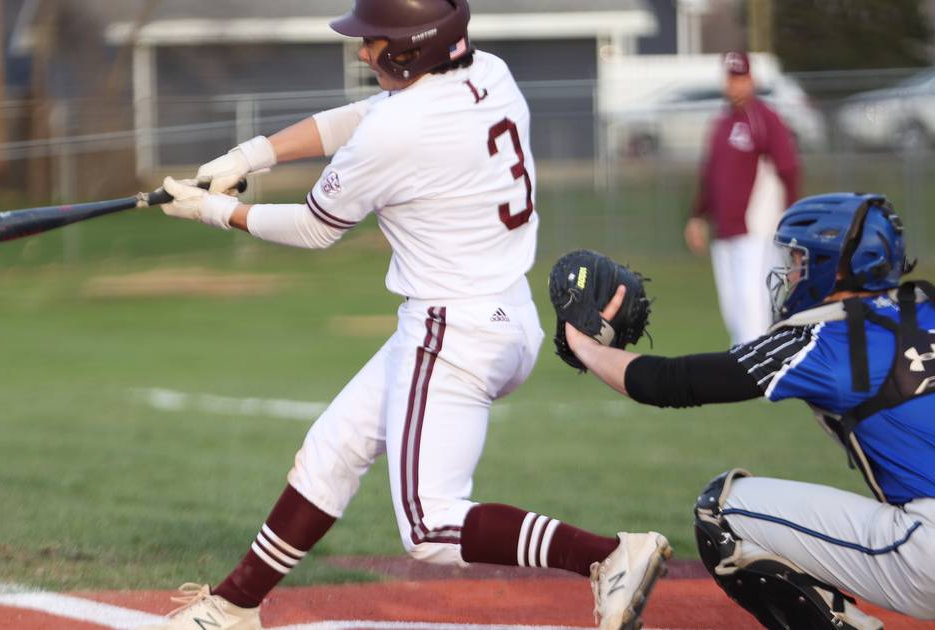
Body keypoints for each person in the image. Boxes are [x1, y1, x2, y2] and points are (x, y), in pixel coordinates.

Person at [147, 2, 671, 629]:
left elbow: (315, 228)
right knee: (331, 451)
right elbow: (366, 117)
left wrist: (215, 212)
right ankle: (234, 606)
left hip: (450, 330)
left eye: (373, 42)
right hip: (502, 313)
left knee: (429, 526)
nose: (363, 52)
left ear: (410, 49)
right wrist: (253, 155)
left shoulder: (401, 129)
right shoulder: (490, 73)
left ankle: (610, 556)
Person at [566, 192, 935, 629]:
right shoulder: (924, 308)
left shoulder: (826, 339)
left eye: (799, 259)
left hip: (927, 550)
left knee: (720, 513)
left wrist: (585, 346)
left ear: (833, 266)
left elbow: (671, 382)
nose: (790, 272)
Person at [684, 51, 802, 346]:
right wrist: (698, 216)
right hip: (725, 228)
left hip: (757, 227)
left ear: (751, 80)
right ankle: (742, 367)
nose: (734, 85)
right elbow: (709, 176)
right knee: (733, 307)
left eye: (740, 78)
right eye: (730, 78)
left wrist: (793, 222)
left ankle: (759, 369)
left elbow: (788, 170)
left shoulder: (765, 120)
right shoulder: (721, 123)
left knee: (754, 302)